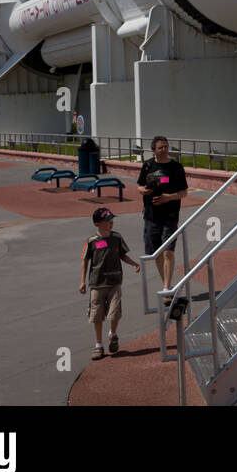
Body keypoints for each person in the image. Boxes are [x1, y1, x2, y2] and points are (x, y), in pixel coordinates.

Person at [79, 207, 140, 360]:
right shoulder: (91, 241)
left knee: (115, 313)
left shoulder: (117, 238)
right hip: (97, 283)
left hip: (115, 281)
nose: (110, 223)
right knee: (97, 315)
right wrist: (82, 282)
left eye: (111, 220)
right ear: (97, 223)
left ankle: (113, 334)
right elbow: (85, 261)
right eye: (107, 221)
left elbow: (123, 255)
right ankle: (98, 345)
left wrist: (133, 264)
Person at [137, 136, 189, 302]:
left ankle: (166, 288)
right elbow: (139, 185)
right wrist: (142, 191)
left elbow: (184, 192)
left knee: (168, 251)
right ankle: (167, 283)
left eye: (166, 147)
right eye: (161, 147)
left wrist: (169, 197)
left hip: (170, 215)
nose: (164, 150)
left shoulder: (176, 167)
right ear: (154, 150)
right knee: (157, 253)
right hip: (151, 215)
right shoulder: (147, 165)